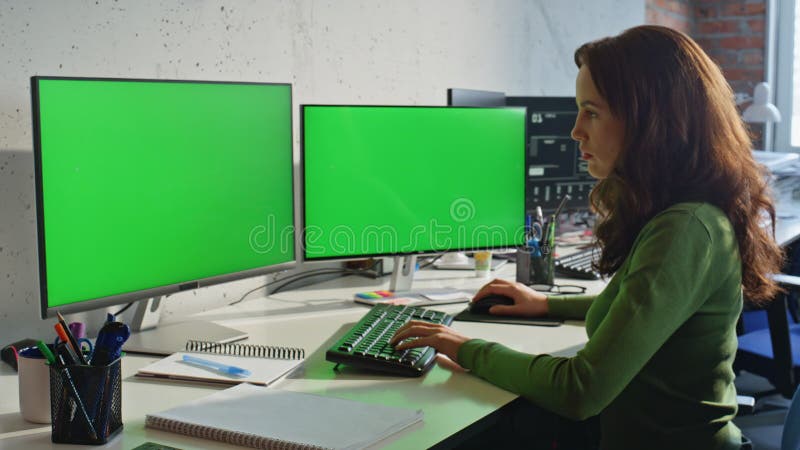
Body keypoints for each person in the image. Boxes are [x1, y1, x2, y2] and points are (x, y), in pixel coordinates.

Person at [391, 25, 784, 450]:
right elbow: (638, 311)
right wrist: (545, 304)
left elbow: (580, 390)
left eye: (591, 112)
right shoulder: (681, 214)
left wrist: (465, 348)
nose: (576, 131)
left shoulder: (685, 230)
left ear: (651, 122)